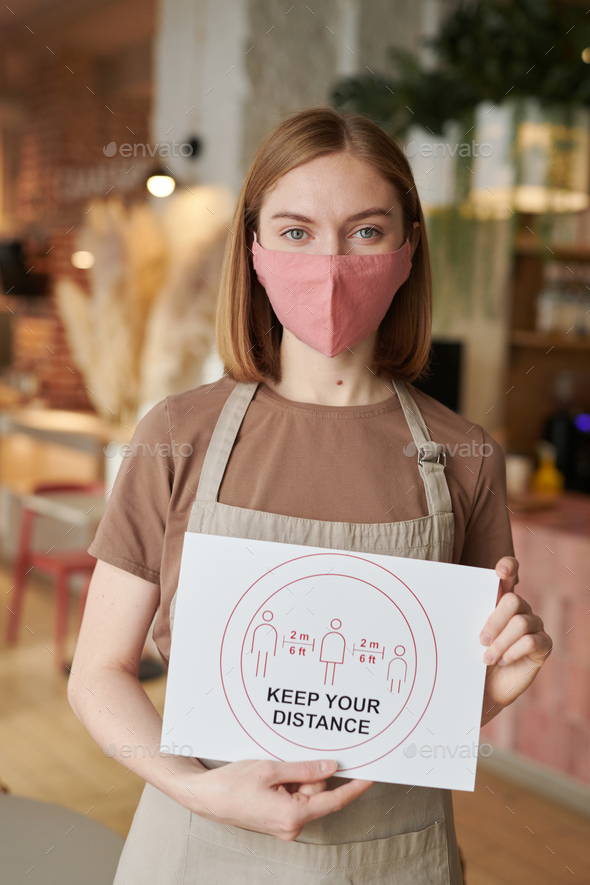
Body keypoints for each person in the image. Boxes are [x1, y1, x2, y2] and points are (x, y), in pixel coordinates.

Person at [68, 107, 552, 885]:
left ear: (407, 249)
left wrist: (492, 686)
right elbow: (98, 671)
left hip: (393, 858)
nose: (330, 264)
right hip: (197, 845)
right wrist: (196, 787)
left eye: (366, 231)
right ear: (254, 249)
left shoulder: (464, 456)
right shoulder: (177, 434)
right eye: (296, 231)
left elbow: (422, 711)